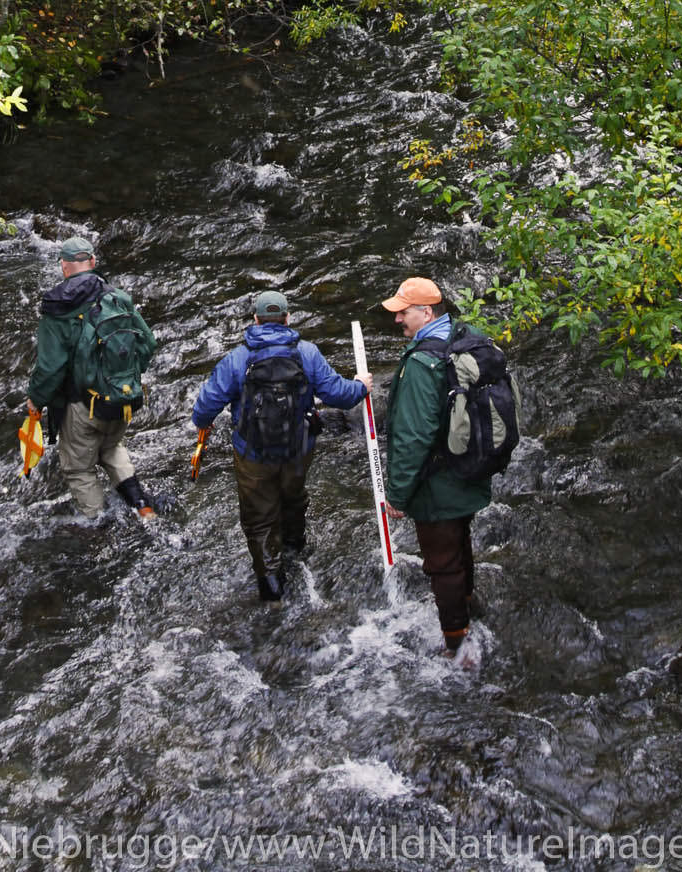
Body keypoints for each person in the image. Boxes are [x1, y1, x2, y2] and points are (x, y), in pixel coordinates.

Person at [191, 289, 369, 601]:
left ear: (255, 319)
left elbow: (205, 406)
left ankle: (272, 586)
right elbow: (338, 395)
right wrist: (361, 386)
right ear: (288, 318)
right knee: (293, 497)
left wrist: (203, 422)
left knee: (260, 519)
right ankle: (295, 547)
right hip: (298, 449)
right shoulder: (307, 353)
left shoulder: (237, 358)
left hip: (253, 453)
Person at [380, 275, 490, 657]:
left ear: (427, 313)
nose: (397, 319)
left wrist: (397, 494)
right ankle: (468, 607)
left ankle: (455, 646)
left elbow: (413, 438)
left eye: (403, 312)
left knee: (442, 563)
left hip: (438, 482)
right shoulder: (466, 339)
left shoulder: (422, 364)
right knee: (460, 542)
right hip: (470, 469)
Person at [25, 236, 158, 521]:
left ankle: (99, 527)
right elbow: (147, 343)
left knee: (79, 469)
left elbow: (50, 369)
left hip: (83, 406)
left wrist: (36, 400)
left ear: (63, 266)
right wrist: (126, 377)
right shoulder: (117, 297)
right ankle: (143, 508)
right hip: (123, 398)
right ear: (93, 262)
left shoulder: (56, 309)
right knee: (111, 447)